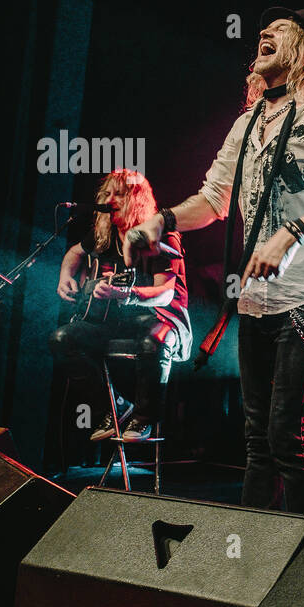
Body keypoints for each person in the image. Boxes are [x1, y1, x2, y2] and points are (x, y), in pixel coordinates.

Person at [124, 7, 304, 515]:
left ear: (303, 52)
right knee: (257, 437)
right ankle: (255, 559)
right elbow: (213, 198)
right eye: (264, 29)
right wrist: (162, 220)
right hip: (256, 297)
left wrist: (292, 234)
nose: (265, 33)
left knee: (287, 431)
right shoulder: (247, 123)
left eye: (280, 31)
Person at [52, 168, 191, 443]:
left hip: (159, 319)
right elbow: (74, 253)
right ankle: (113, 407)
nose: (110, 199)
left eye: (120, 194)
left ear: (137, 199)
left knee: (154, 341)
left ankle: (144, 418)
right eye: (107, 193)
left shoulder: (160, 234)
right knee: (62, 338)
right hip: (112, 321)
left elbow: (165, 294)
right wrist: (65, 277)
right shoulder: (104, 232)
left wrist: (126, 295)